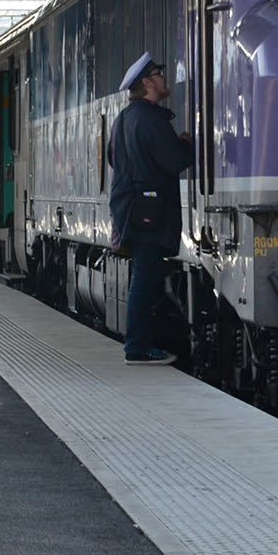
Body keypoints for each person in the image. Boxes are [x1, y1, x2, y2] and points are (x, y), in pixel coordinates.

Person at [108, 51, 193, 365]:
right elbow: (173, 161)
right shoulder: (152, 118)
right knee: (144, 279)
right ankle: (137, 347)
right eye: (159, 74)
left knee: (144, 277)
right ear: (147, 83)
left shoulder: (124, 118)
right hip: (149, 211)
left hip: (132, 207)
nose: (164, 79)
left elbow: (112, 158)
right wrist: (186, 143)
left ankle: (140, 344)